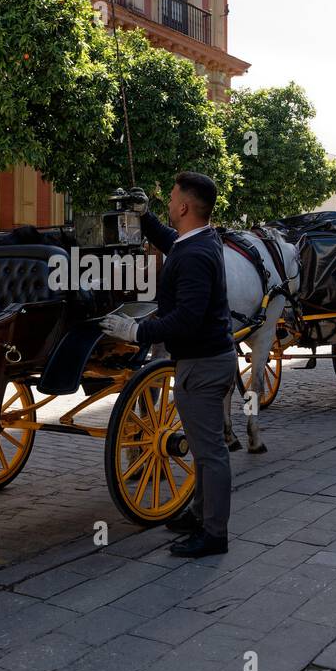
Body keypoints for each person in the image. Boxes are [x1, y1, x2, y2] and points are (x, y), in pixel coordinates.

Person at [100, 173, 235, 559]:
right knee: (203, 448)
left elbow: (185, 321)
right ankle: (198, 515)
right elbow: (171, 243)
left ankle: (214, 534)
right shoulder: (199, 241)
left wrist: (136, 330)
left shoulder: (195, 256)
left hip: (203, 364)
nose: (169, 201)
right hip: (206, 359)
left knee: (209, 453)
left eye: (172, 196)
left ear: (184, 207)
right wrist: (145, 219)